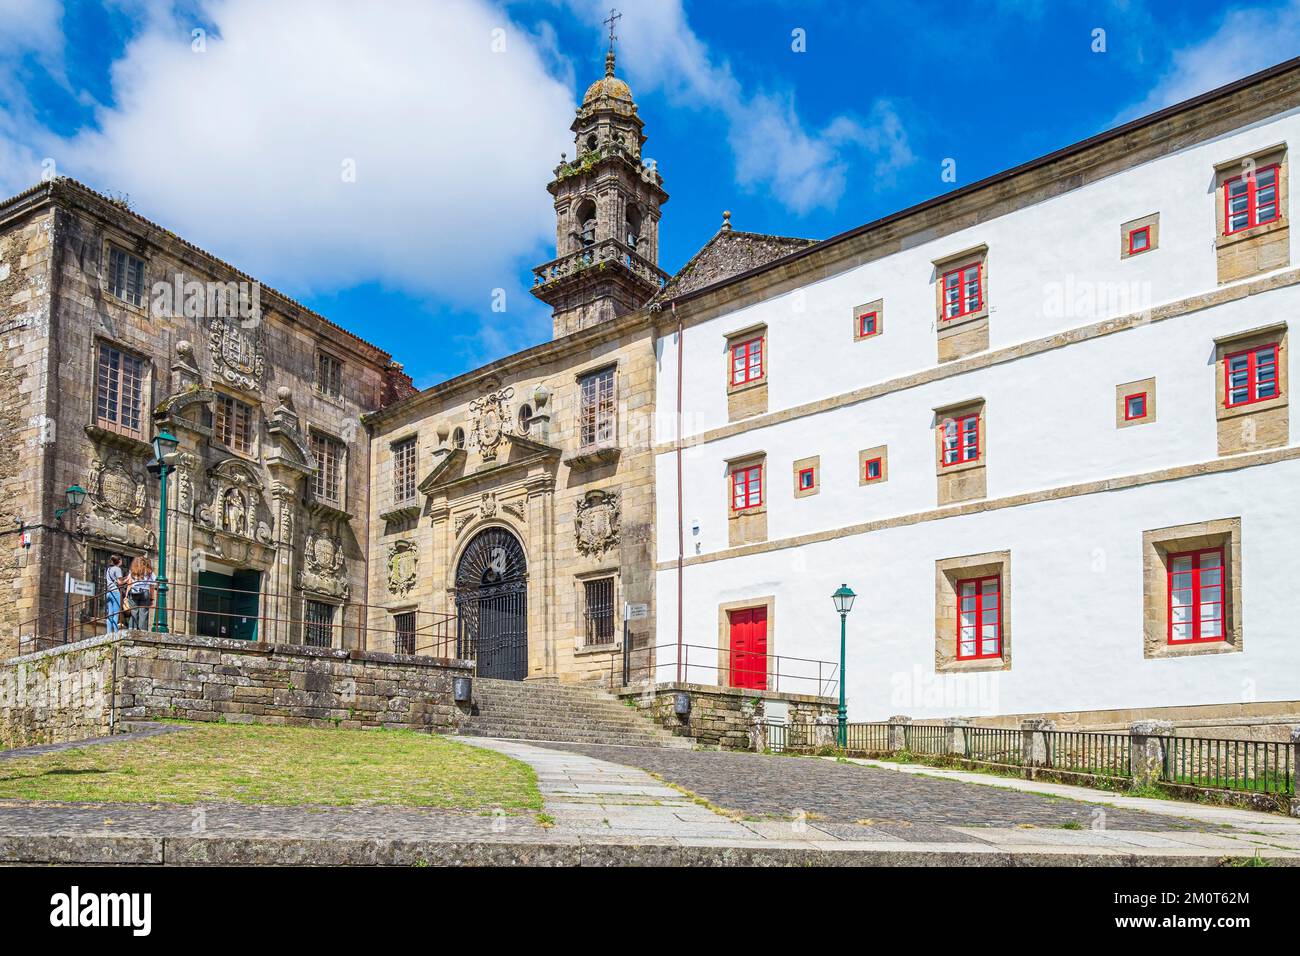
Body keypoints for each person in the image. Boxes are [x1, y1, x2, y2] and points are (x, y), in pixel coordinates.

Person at [126, 556, 155, 631]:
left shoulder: (132, 571)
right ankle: (143, 630)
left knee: (133, 611)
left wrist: (126, 595)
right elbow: (152, 586)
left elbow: (129, 583)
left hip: (133, 592)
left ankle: (132, 628)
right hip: (145, 592)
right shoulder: (149, 572)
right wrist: (152, 598)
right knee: (144, 612)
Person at [104, 554, 125, 634]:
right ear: (119, 561)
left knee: (110, 614)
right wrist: (127, 579)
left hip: (108, 592)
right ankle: (116, 633)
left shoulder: (108, 569)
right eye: (121, 560)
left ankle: (108, 633)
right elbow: (120, 583)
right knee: (116, 614)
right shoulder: (117, 569)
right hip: (115, 592)